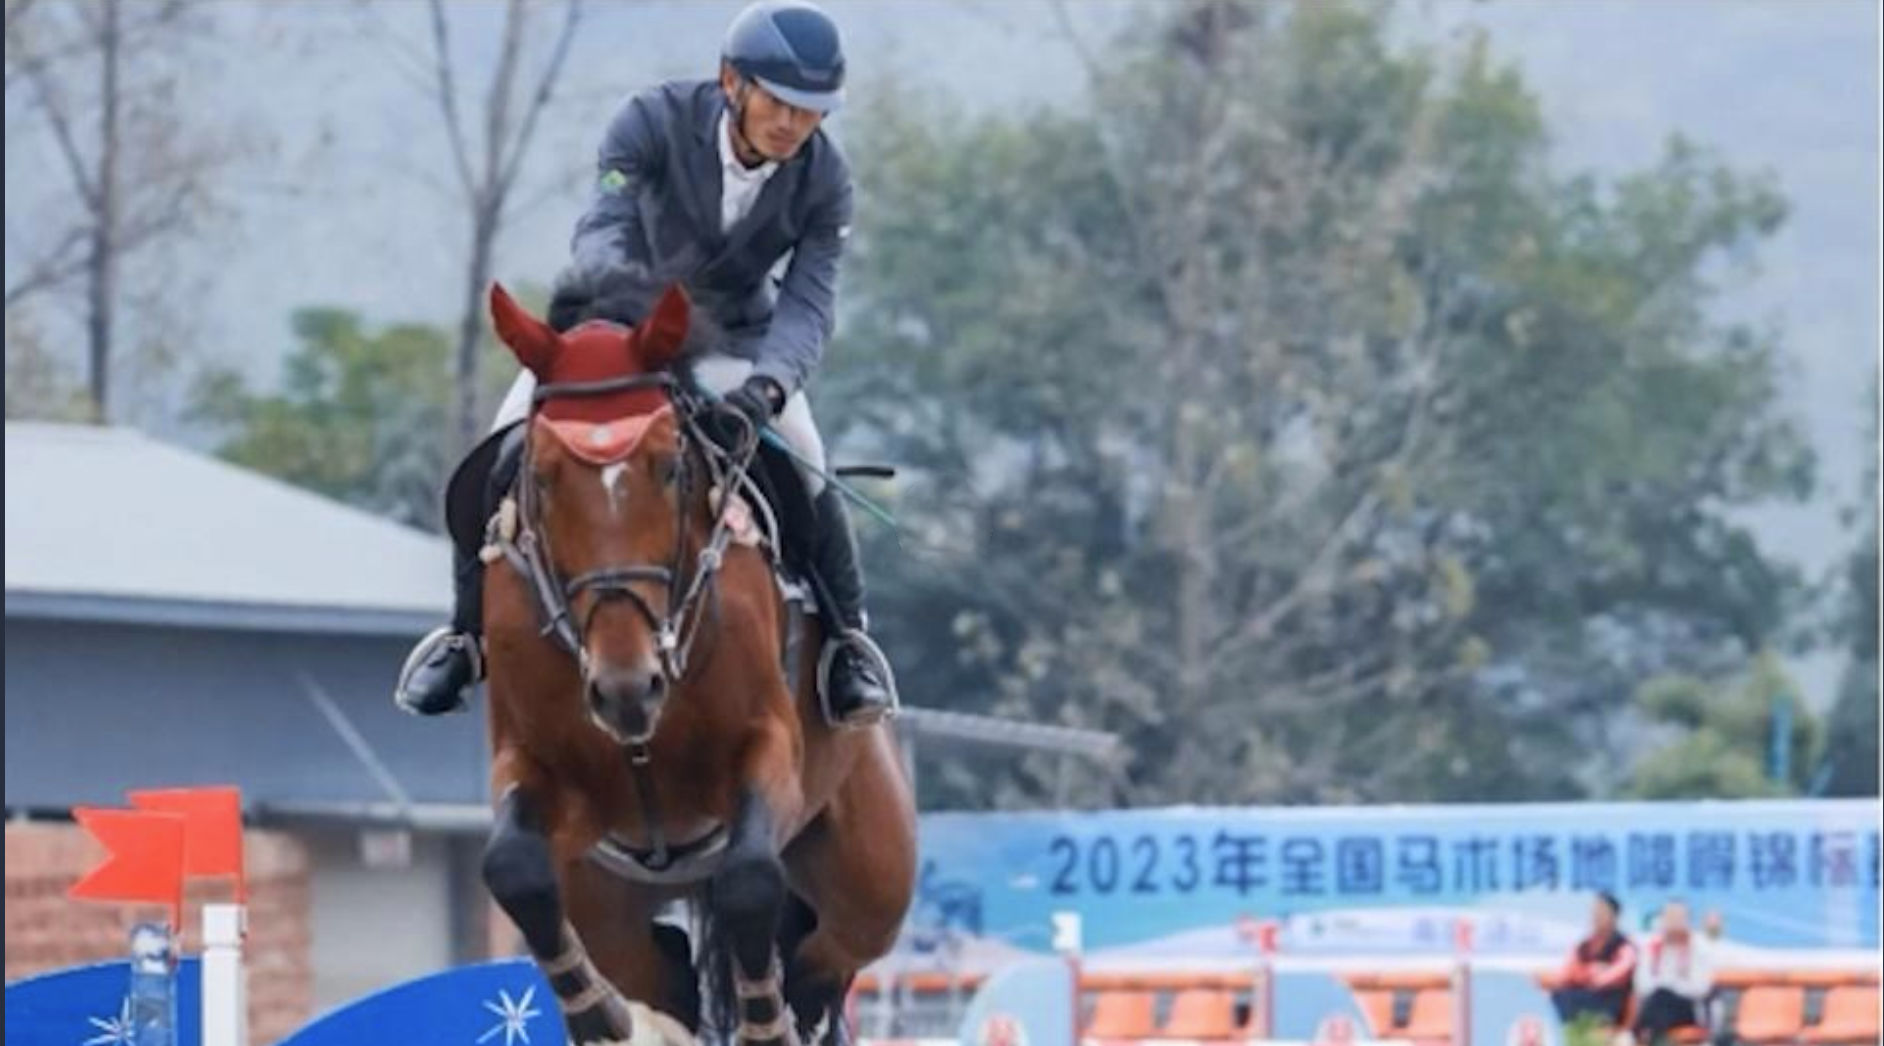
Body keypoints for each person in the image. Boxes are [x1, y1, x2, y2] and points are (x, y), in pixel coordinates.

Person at [393, 0, 896, 728]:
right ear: (733, 81)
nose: (792, 125)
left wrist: (768, 387)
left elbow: (809, 302)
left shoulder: (825, 180)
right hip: (621, 331)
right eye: (779, 103)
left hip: (738, 345)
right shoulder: (649, 122)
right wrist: (629, 322)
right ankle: (465, 637)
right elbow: (604, 229)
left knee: (809, 461)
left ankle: (849, 643)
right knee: (501, 446)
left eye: (811, 112)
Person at [1626, 899, 1714, 1046]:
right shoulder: (1652, 947)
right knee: (1660, 997)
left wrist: (1672, 984)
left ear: (1687, 921)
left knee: (1664, 996)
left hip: (1686, 1006)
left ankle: (1647, 1036)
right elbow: (1641, 984)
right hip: (1656, 1004)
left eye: (1678, 918)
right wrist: (1664, 985)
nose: (1673, 922)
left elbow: (1701, 987)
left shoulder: (1698, 948)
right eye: (1669, 917)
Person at [1551, 892, 1637, 1027]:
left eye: (1602, 912)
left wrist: (1587, 974)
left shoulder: (1625, 946)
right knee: (1561, 994)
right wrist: (1590, 972)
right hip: (1584, 996)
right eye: (1595, 912)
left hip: (1610, 1001)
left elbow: (1615, 975)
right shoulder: (1583, 946)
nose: (1596, 916)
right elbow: (1567, 973)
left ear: (1614, 916)